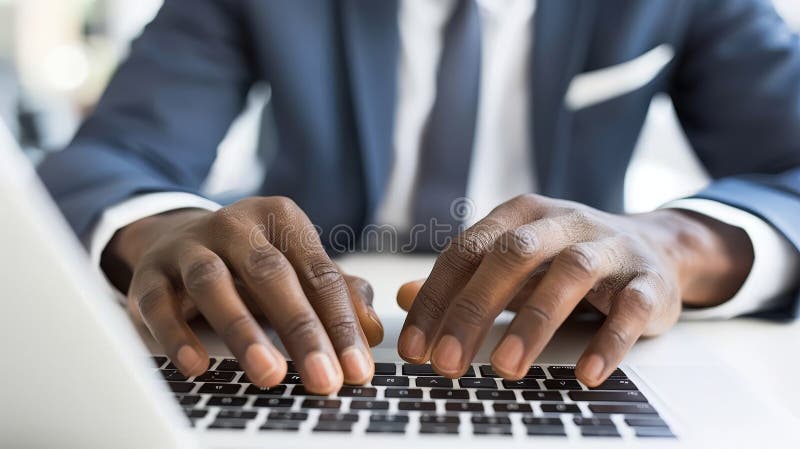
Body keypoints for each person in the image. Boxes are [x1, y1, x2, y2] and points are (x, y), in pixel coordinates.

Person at [39, 0, 800, 395]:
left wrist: (681, 246)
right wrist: (161, 229)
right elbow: (110, 157)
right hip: (305, 337)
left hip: (573, 338)